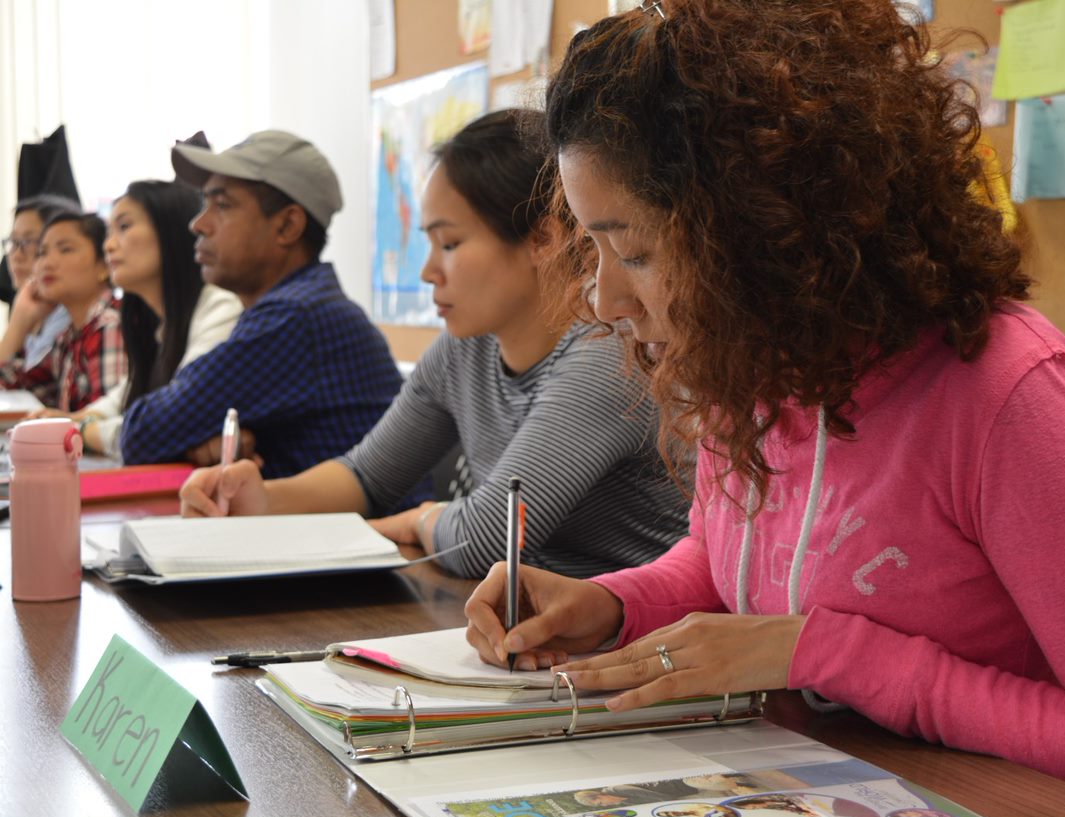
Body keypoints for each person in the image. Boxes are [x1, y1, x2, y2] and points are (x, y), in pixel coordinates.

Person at [462, 2, 1065, 817]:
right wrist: (612, 603)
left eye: (635, 250)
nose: (603, 300)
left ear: (764, 229)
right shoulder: (752, 363)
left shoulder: (1007, 395)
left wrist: (826, 654)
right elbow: (724, 569)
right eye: (591, 248)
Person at [180, 110, 689, 579]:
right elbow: (367, 476)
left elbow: (488, 538)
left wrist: (422, 519)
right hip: (529, 622)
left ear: (543, 239)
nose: (428, 272)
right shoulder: (466, 348)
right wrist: (259, 500)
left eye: (449, 244)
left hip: (632, 636)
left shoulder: (609, 356)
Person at [117, 130, 404, 477]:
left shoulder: (295, 317)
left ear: (287, 225)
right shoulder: (300, 305)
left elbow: (141, 434)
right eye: (204, 204)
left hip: (357, 530)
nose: (198, 224)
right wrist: (217, 440)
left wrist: (200, 438)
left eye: (222, 206)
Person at [29, 180, 242, 457]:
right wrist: (79, 418)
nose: (109, 246)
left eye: (124, 227)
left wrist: (81, 431)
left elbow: (164, 424)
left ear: (172, 231)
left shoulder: (221, 308)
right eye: (109, 232)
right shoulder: (156, 324)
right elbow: (126, 392)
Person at [0, 212, 125, 410]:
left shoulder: (110, 325)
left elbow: (107, 425)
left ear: (104, 265)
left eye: (65, 249)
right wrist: (18, 325)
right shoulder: (69, 336)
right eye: (42, 252)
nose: (47, 263)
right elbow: (15, 386)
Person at [0, 195, 80, 377]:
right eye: (13, 242)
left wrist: (16, 326)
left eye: (28, 242)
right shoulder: (35, 307)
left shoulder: (68, 314)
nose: (16, 256)